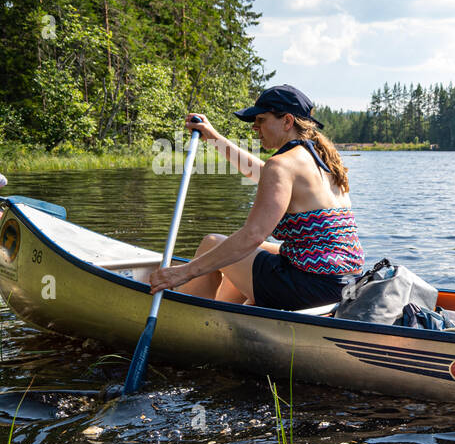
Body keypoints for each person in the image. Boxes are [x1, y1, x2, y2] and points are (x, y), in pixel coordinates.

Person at [148, 84, 365, 310]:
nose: (254, 127)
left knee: (212, 244)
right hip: (344, 282)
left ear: (287, 121)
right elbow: (254, 170)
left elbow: (252, 235)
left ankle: (190, 321)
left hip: (313, 285)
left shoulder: (282, 164)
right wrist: (213, 137)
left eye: (261, 120)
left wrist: (182, 273)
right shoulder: (321, 160)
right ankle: (231, 314)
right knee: (237, 252)